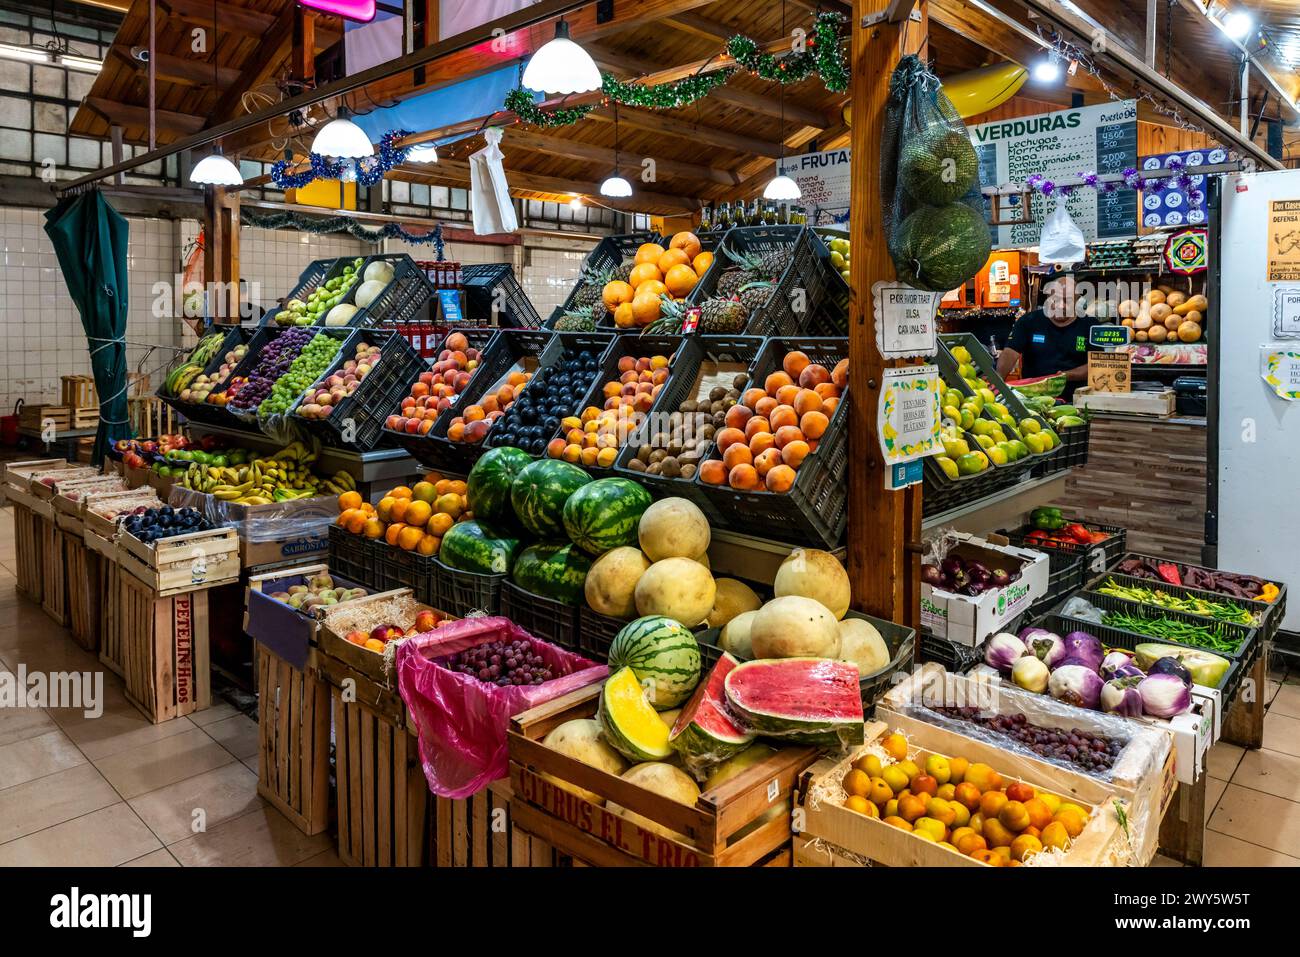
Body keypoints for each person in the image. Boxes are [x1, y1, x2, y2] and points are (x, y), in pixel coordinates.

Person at [995, 272, 1099, 399]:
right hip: (1033, 399)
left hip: (1077, 399)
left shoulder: (1090, 326)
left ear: (1077, 301)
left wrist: (1066, 375)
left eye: (1068, 301)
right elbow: (1010, 353)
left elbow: (1097, 364)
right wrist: (997, 384)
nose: (1061, 305)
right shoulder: (1028, 321)